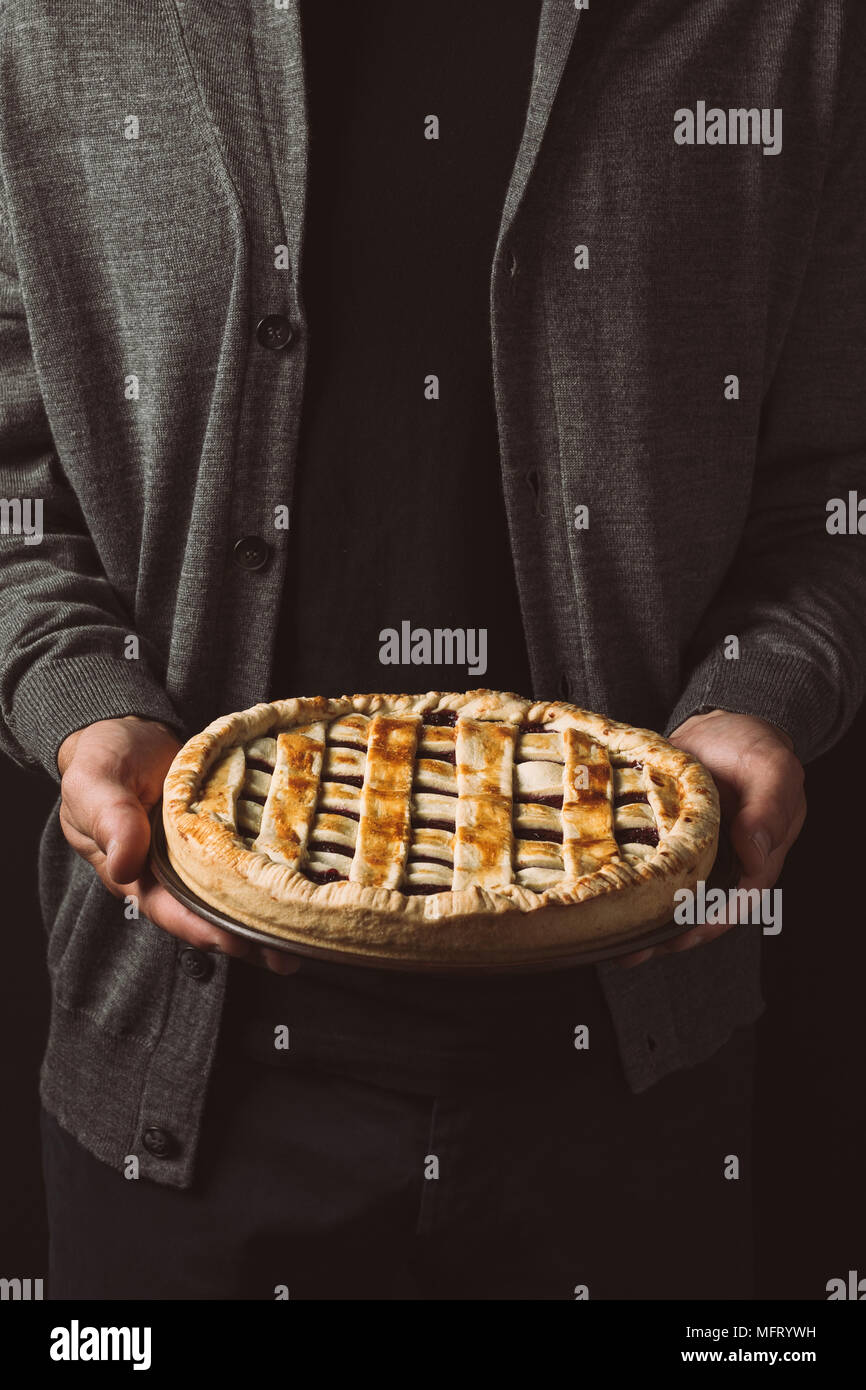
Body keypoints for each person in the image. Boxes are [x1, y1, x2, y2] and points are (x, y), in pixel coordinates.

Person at [0, 0, 861, 1299]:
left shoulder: (788, 25)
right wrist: (79, 697)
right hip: (184, 1095)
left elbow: (831, 488)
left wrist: (761, 692)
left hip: (632, 1090)